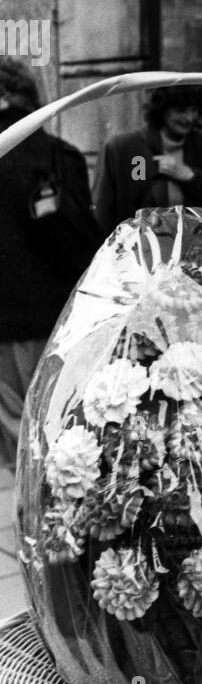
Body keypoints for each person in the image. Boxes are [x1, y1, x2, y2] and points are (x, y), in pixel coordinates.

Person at [0, 59, 101, 467]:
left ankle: (18, 517)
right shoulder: (58, 156)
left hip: (2, 322)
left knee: (12, 431)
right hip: (56, 319)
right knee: (59, 422)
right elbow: (81, 242)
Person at [93, 84, 202, 236]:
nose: (189, 118)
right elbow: (102, 210)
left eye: (194, 110)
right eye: (180, 111)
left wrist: (190, 177)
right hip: (135, 248)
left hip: (191, 248)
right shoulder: (124, 147)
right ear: (162, 111)